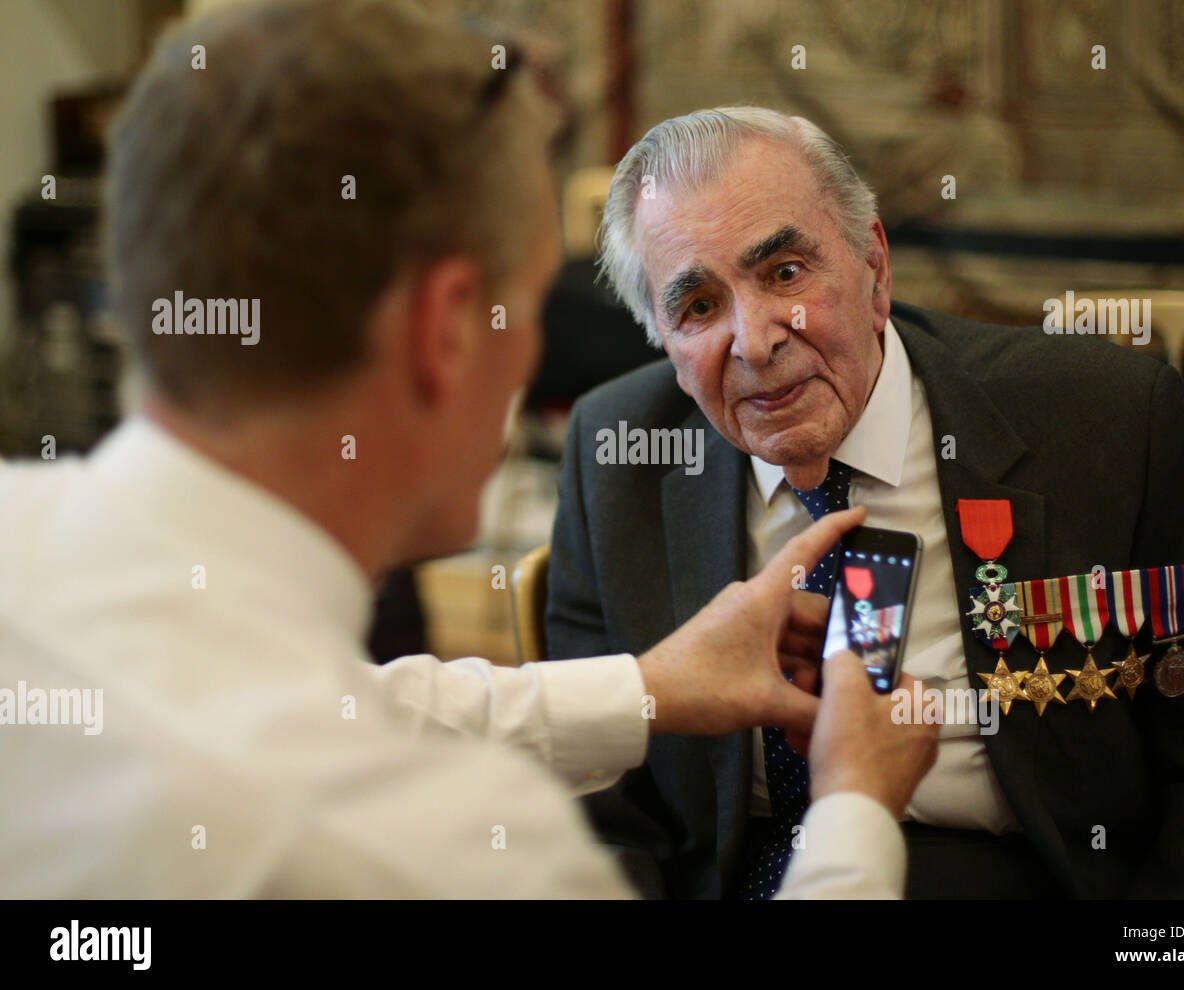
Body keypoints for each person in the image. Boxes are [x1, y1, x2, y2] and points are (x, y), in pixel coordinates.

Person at [0, 0, 938, 897]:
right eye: (524, 304)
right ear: (446, 331)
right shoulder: (452, 854)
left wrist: (647, 687)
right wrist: (855, 808)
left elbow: (351, 703)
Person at [546, 105, 1184, 898]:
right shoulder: (618, 451)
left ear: (874, 266)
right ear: (661, 338)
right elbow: (604, 804)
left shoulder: (1108, 423)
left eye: (785, 274)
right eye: (698, 307)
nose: (756, 339)